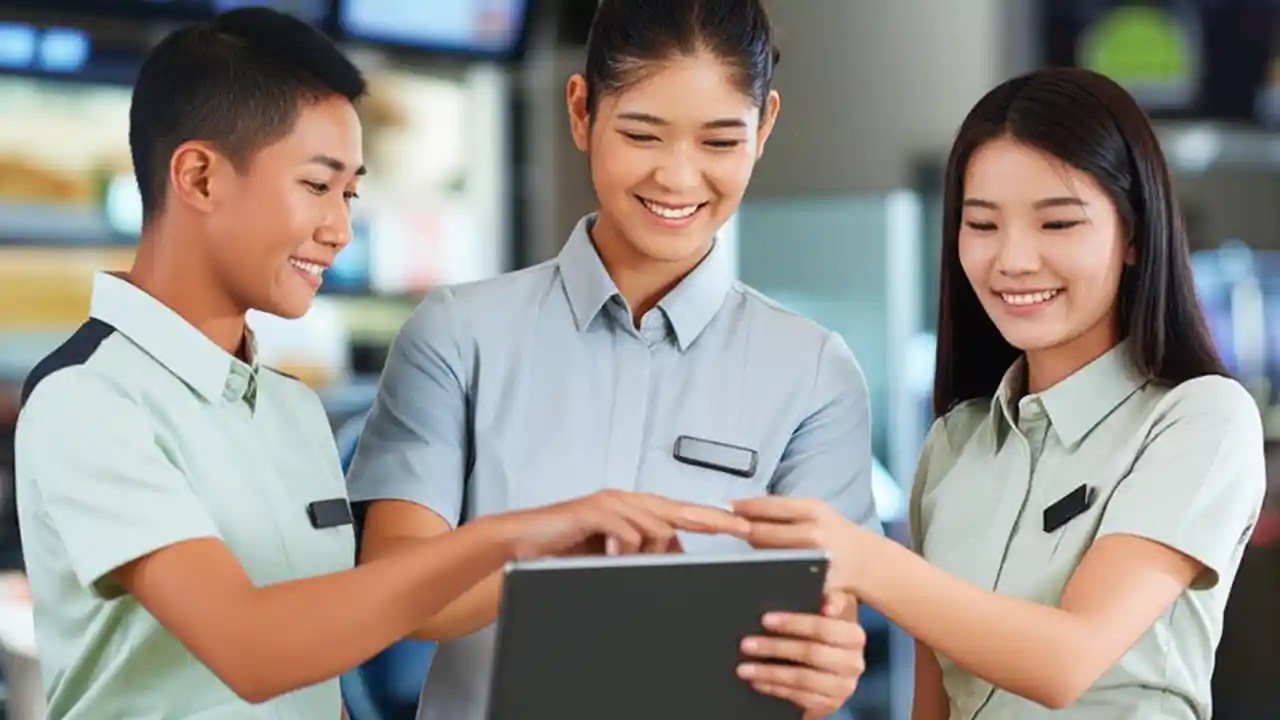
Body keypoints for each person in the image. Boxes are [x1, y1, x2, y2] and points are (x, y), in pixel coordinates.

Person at [12, 9, 741, 719]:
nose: (339, 229)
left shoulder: (291, 411)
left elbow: (324, 652)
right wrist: (511, 534)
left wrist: (556, 562)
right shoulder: (90, 399)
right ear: (200, 178)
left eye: (351, 192)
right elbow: (251, 649)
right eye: (317, 186)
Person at [346, 0, 878, 717]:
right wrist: (551, 564)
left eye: (720, 142)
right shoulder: (457, 334)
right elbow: (391, 592)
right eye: (642, 134)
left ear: (765, 127)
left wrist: (825, 670)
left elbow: (821, 635)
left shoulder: (815, 373)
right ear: (580, 110)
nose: (679, 179)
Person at [733, 67, 1267, 719]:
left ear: (1134, 234)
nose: (1012, 259)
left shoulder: (1199, 418)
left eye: (1058, 224)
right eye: (982, 224)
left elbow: (1065, 661)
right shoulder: (953, 446)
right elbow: (933, 705)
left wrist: (863, 559)